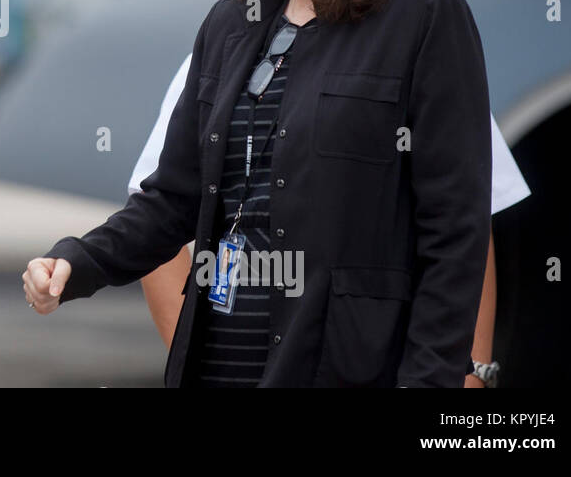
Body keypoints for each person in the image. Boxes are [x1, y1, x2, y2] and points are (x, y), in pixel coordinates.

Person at [24, 0, 492, 387]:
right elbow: (171, 201)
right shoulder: (230, 25)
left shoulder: (426, 17)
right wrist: (75, 261)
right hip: (220, 366)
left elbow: (455, 233)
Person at [129, 53, 528, 387]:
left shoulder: (420, 42)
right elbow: (161, 217)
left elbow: (468, 223)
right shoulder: (231, 47)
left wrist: (471, 376)